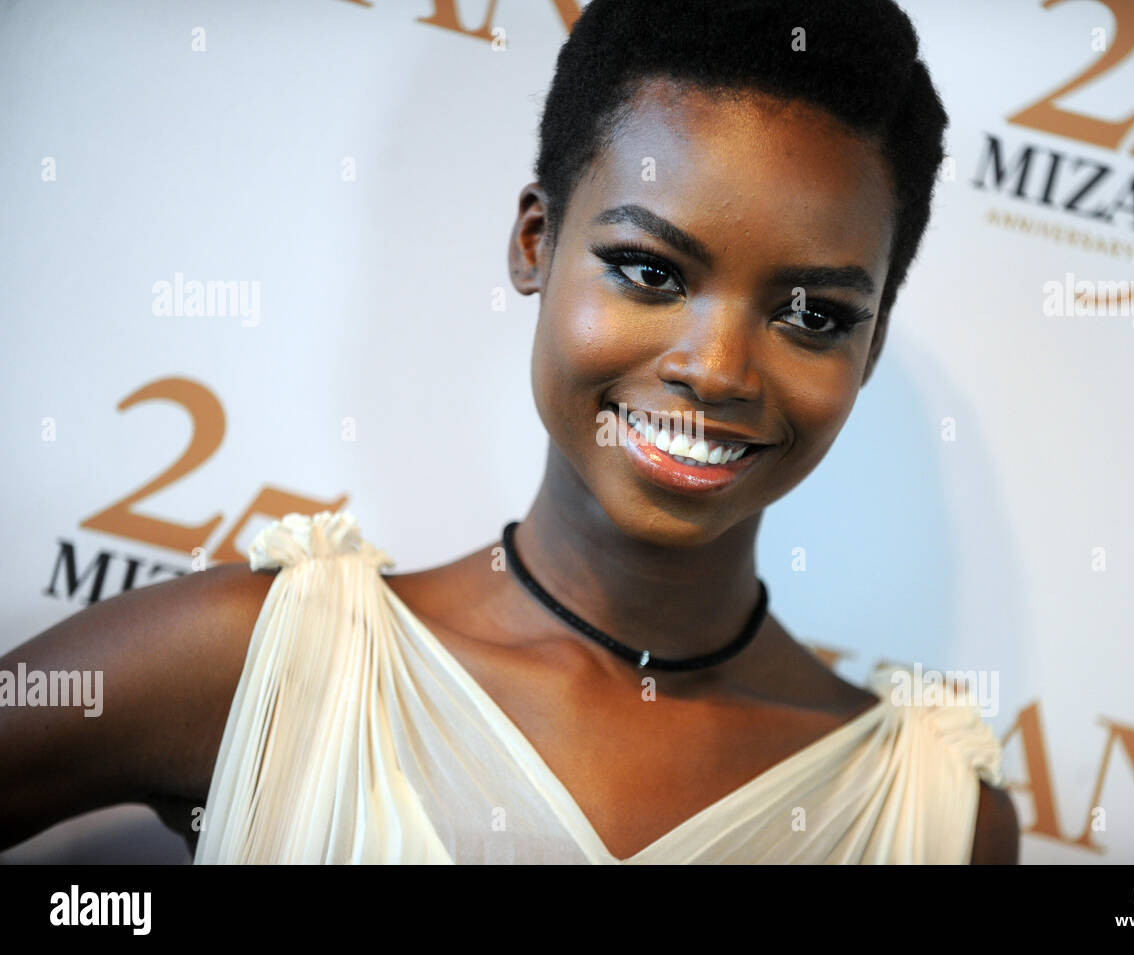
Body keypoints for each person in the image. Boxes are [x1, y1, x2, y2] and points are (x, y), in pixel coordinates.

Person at [0, 0, 1018, 863]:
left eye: (814, 315)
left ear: (868, 346)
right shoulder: (266, 661)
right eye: (651, 271)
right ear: (536, 242)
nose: (715, 369)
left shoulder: (934, 820)